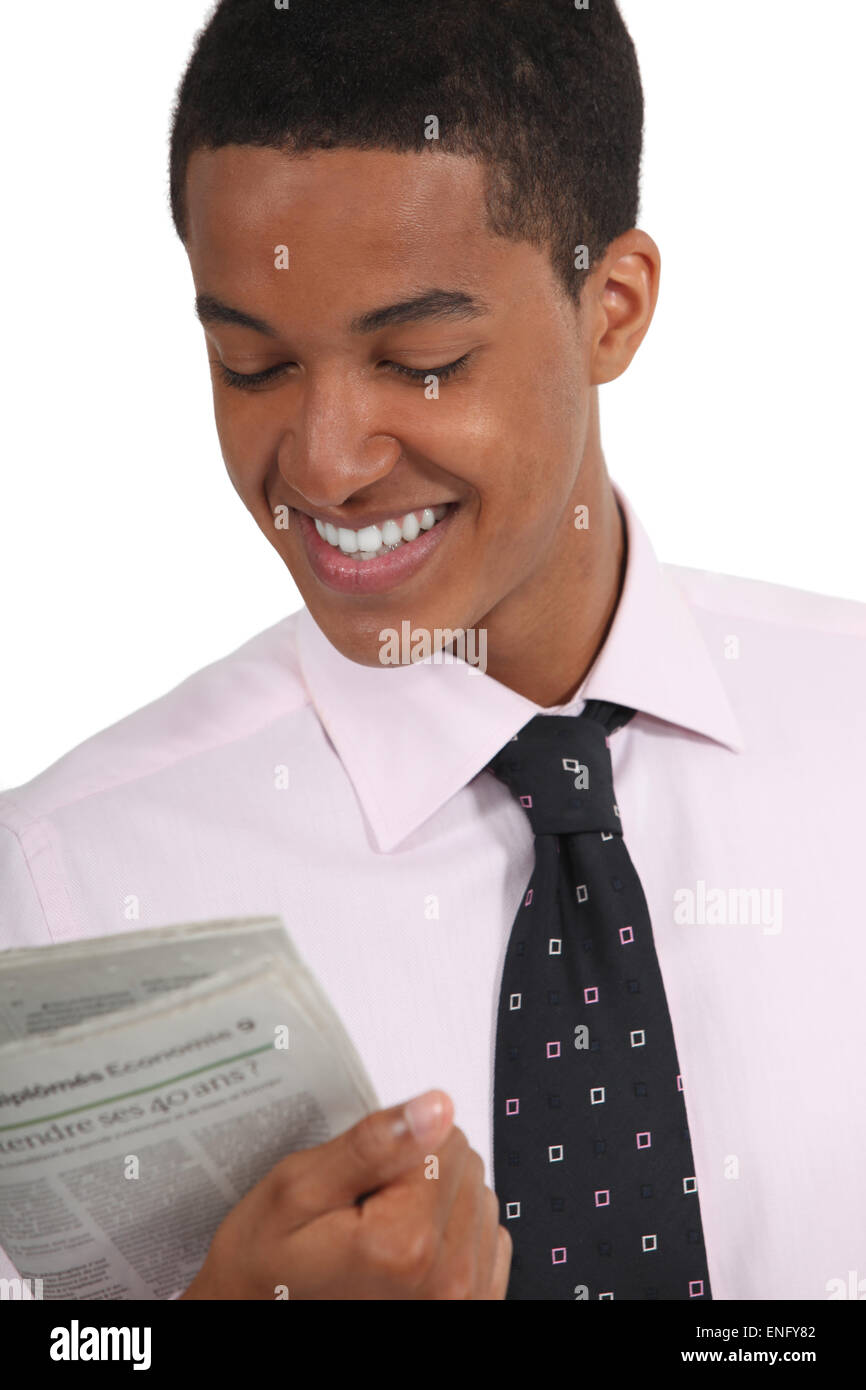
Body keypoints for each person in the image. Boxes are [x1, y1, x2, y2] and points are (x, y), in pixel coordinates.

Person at [1, 0, 864, 1301]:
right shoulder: (58, 890)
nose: (324, 464)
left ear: (613, 309)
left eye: (419, 361)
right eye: (251, 366)